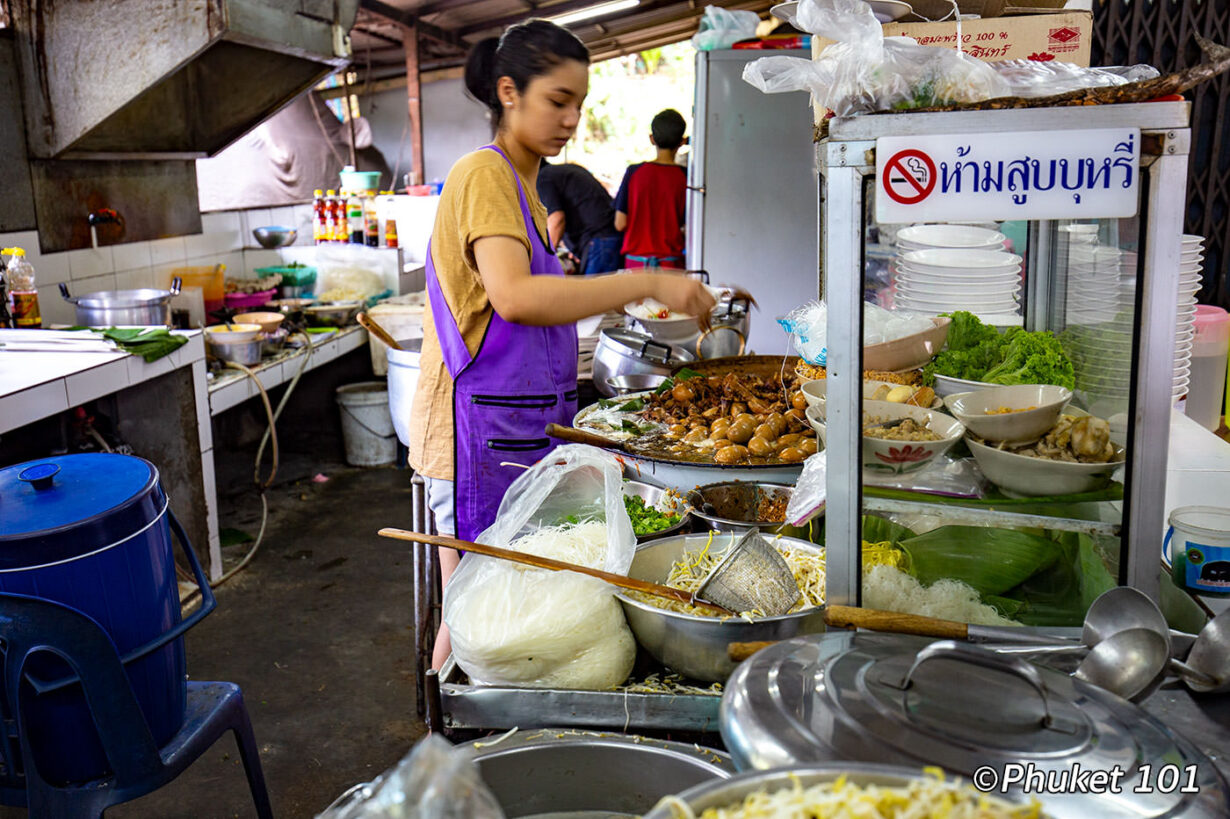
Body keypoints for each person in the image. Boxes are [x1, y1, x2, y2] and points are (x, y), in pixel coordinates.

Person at [406, 20, 715, 669]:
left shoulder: (524, 184)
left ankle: (459, 709)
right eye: (557, 100)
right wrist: (645, 281)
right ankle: (443, 723)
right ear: (509, 92)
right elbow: (515, 297)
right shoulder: (482, 174)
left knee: (499, 608)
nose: (572, 118)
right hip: (471, 435)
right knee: (474, 615)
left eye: (579, 102)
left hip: (511, 425)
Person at [614, 108, 689, 269]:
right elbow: (688, 227)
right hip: (671, 267)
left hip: (636, 265)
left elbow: (620, 223)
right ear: (682, 141)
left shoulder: (634, 173)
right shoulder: (686, 177)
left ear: (652, 139)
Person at [537, 160, 624, 275]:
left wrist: (543, 262)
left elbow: (556, 220)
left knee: (594, 287)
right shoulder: (564, 170)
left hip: (599, 242)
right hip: (607, 239)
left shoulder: (543, 178)